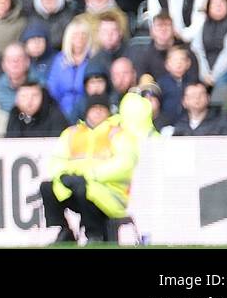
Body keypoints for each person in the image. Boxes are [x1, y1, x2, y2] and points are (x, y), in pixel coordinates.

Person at [41, 89, 157, 245]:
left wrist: (91, 175)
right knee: (48, 187)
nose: (97, 113)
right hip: (79, 187)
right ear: (86, 111)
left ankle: (95, 233)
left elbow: (125, 164)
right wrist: (64, 176)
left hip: (110, 193)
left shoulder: (118, 134)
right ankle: (64, 229)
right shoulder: (72, 133)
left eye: (101, 109)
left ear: (108, 112)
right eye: (93, 109)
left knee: (84, 188)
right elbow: (56, 160)